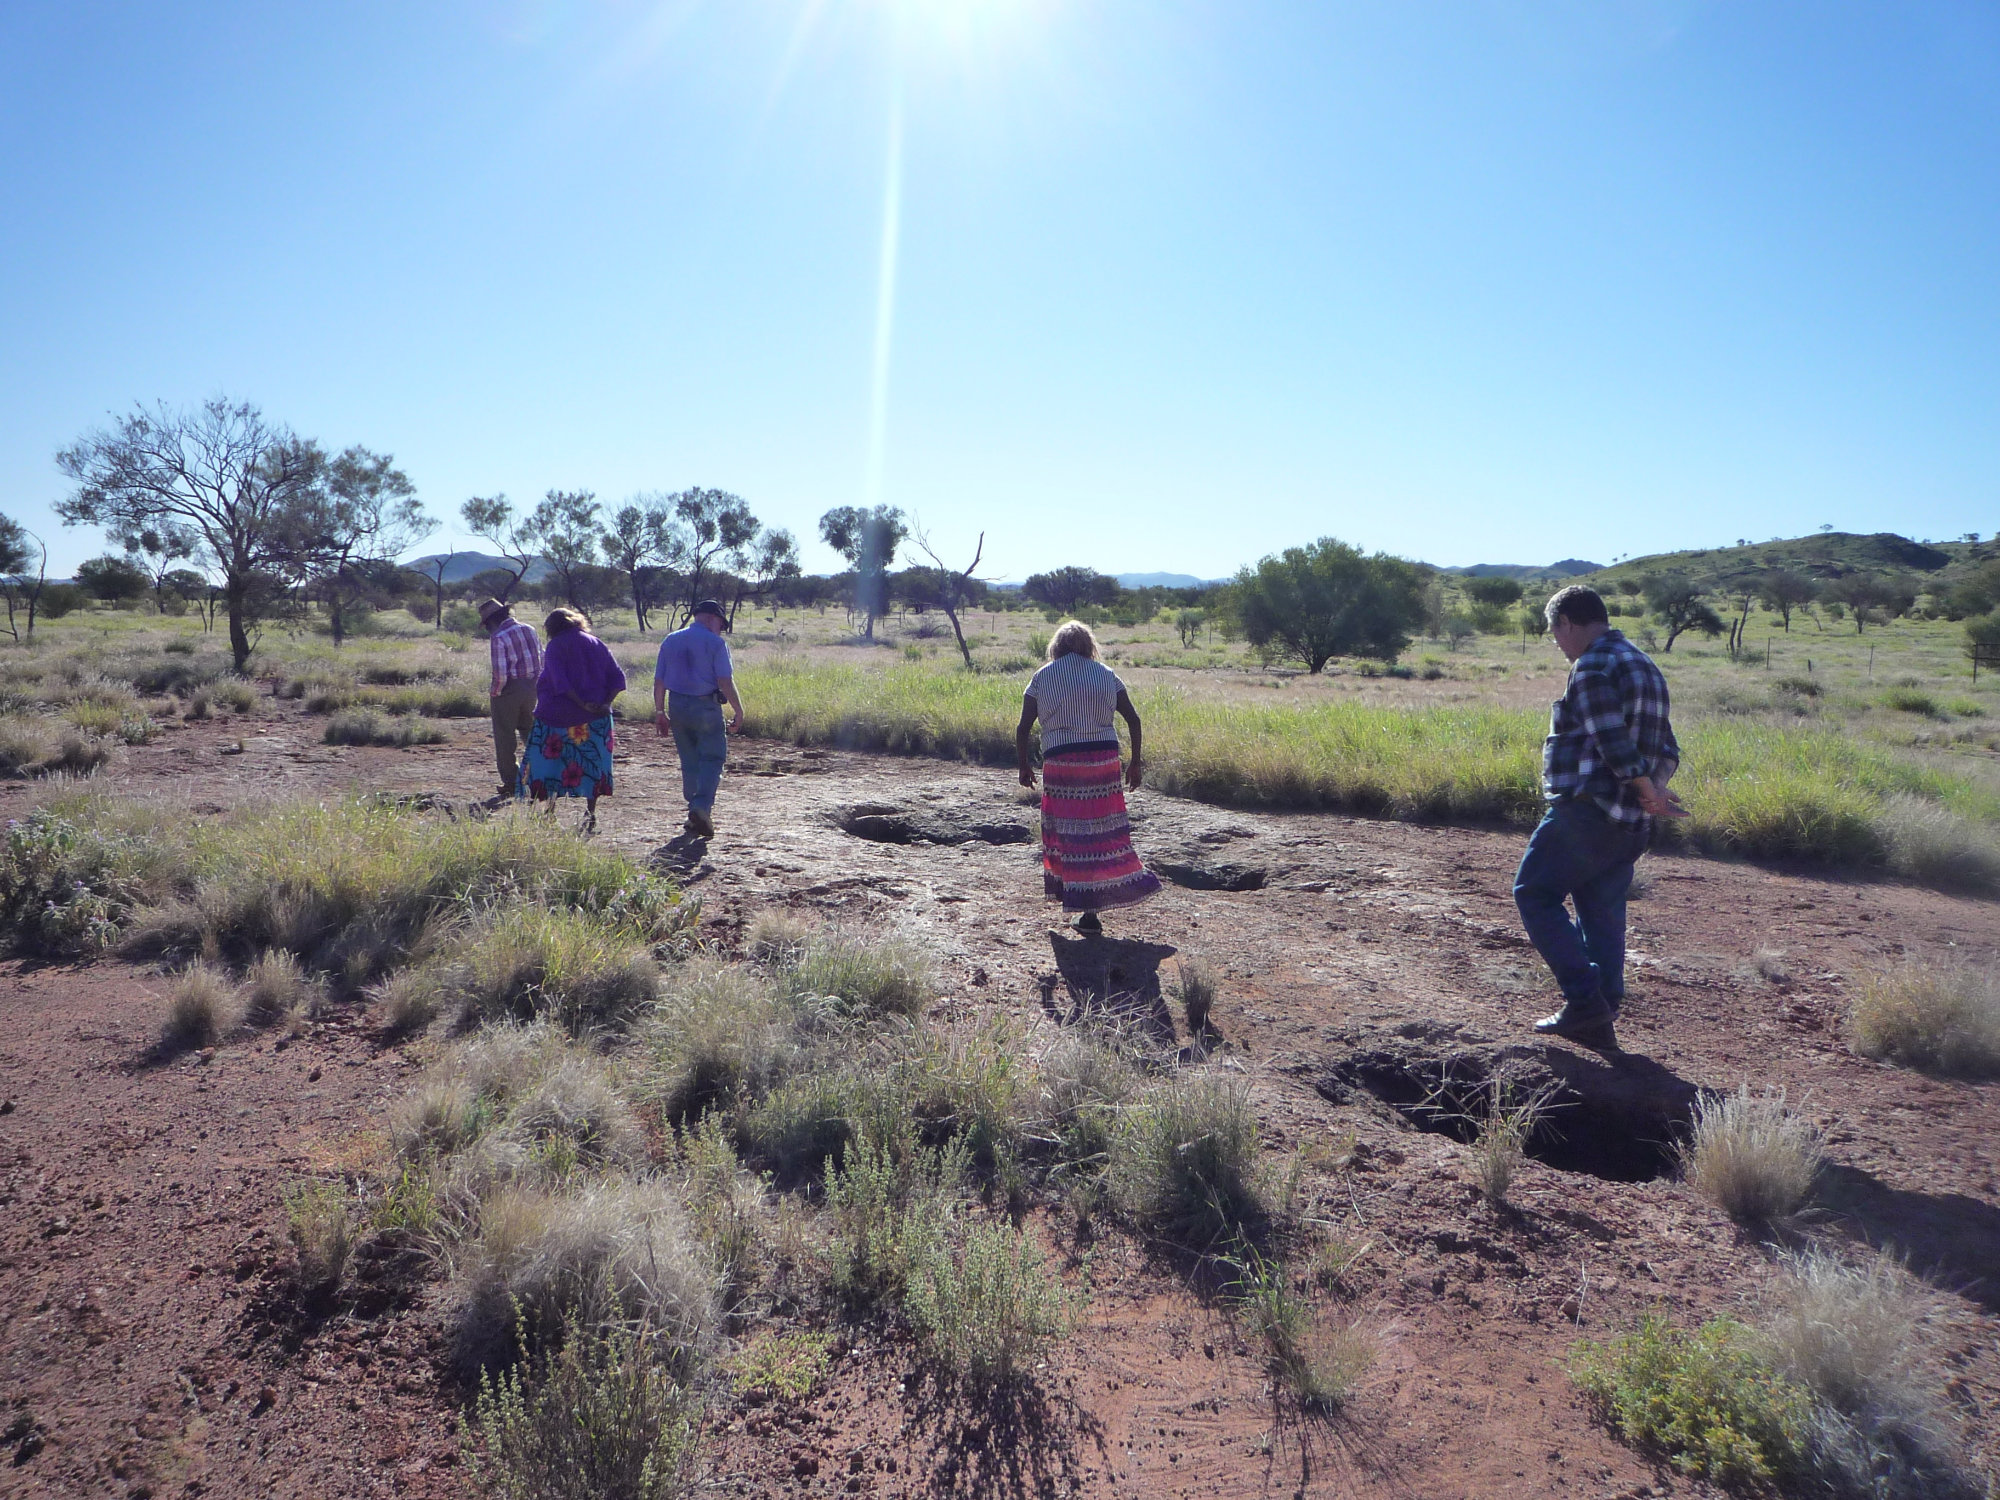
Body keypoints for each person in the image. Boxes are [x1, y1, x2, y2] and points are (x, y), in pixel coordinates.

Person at [1516, 584, 1686, 1049]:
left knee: (1534, 892)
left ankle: (1584, 999)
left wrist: (1644, 786)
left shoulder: (1592, 666)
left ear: (1568, 622)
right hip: (1631, 823)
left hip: (1588, 811)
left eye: (1554, 632)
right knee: (1601, 910)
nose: (1556, 642)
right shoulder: (1643, 663)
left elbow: (1612, 741)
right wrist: (1654, 789)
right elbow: (1666, 743)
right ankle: (1603, 1005)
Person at [1016, 621, 1162, 933]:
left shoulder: (1042, 676)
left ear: (1056, 647)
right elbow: (1133, 719)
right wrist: (1135, 762)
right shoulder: (1106, 674)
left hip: (1062, 761)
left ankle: (1080, 902)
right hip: (1103, 762)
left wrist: (1023, 765)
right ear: (1088, 645)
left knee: (1068, 833)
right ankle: (1095, 906)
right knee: (1101, 832)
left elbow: (1023, 727)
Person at [519, 607, 626, 831]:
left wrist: (580, 703)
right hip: (596, 719)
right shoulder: (596, 642)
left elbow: (560, 683)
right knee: (593, 763)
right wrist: (605, 703)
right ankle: (590, 812)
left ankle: (549, 810)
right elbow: (617, 677)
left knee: (551, 763)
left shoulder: (556, 645)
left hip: (557, 717)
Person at [653, 599, 744, 838]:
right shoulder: (716, 643)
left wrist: (660, 712)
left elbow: (659, 680)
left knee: (689, 759)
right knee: (712, 758)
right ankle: (701, 808)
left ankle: (693, 814)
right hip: (705, 705)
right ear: (712, 619)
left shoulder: (671, 640)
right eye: (721, 624)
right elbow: (724, 680)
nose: (721, 629)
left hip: (677, 705)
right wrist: (738, 709)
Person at [480, 597, 542, 800]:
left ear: (491, 621)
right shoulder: (529, 628)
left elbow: (500, 674)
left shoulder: (499, 636)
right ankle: (541, 773)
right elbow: (542, 656)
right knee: (530, 732)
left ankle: (512, 782)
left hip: (509, 690)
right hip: (532, 686)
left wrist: (495, 694)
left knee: (505, 737)